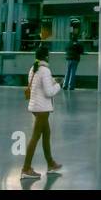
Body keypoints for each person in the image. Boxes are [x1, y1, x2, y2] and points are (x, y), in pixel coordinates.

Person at [21, 45, 63, 177]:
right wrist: (59, 85)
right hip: (42, 109)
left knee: (46, 133)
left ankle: (50, 163)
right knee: (35, 137)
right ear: (46, 56)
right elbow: (49, 92)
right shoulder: (45, 71)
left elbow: (39, 86)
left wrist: (53, 81)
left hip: (35, 106)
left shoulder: (34, 68)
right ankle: (26, 169)